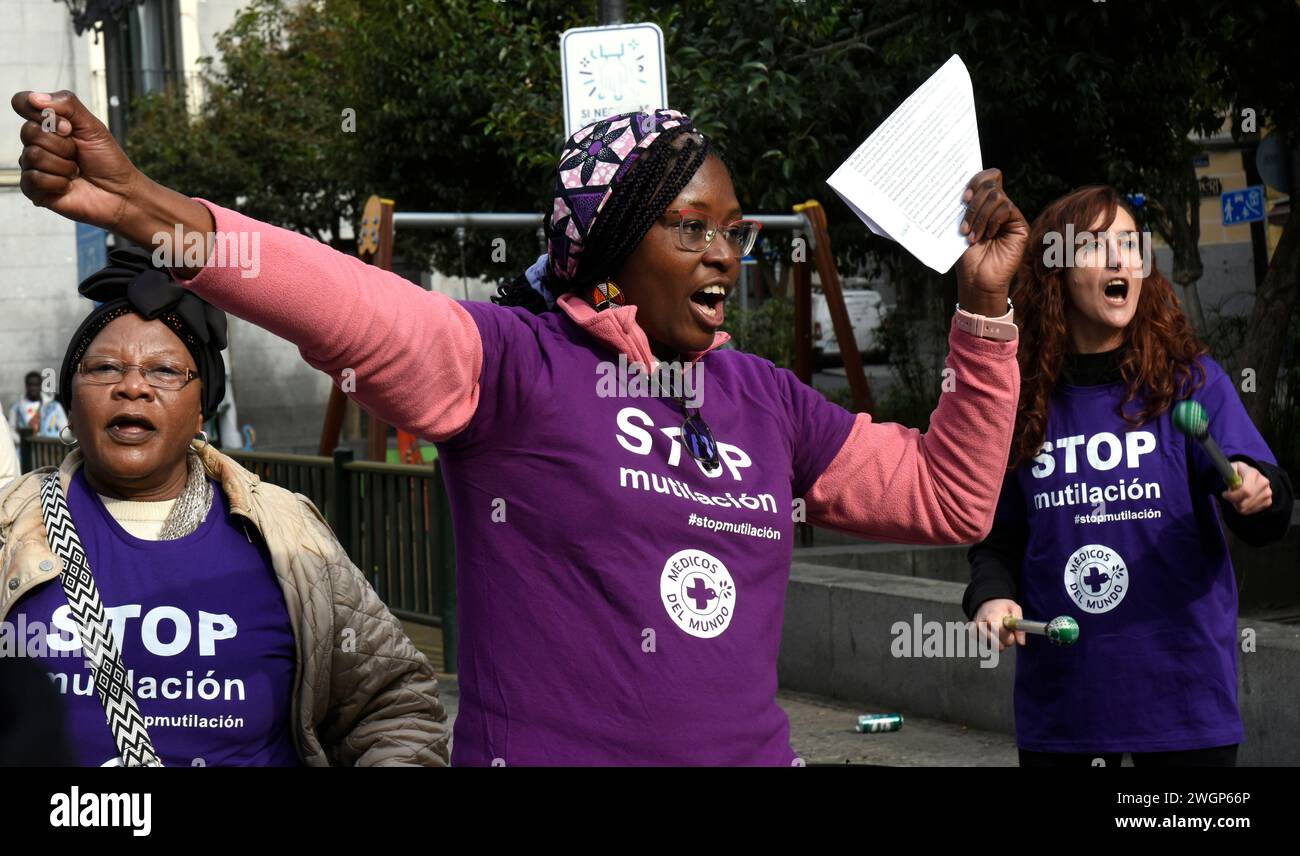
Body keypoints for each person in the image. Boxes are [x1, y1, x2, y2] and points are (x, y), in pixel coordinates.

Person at [14, 90, 1028, 765]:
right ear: (613, 242)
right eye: (691, 228)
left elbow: (950, 497)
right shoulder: (510, 366)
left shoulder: (769, 401)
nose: (724, 254)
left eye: (732, 230)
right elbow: (346, 301)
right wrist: (151, 209)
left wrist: (984, 313)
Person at [0, 247, 449, 766]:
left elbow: (391, 702)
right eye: (103, 368)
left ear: (201, 413)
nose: (132, 387)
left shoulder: (286, 534)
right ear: (71, 408)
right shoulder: (11, 528)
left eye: (165, 371)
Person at [964, 185, 1294, 767]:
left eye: (1129, 245)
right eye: (1096, 247)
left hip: (1185, 707)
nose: (1120, 260)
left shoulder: (1193, 383)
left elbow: (1268, 514)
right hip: (1065, 708)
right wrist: (992, 597)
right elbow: (997, 537)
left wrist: (1260, 493)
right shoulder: (1020, 398)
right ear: (1057, 272)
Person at [8, 370, 68, 452]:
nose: (33, 388)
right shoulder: (16, 409)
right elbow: (10, 430)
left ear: (40, 385)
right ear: (26, 385)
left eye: (36, 385)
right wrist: (23, 440)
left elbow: (65, 430)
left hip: (50, 451)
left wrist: (48, 438)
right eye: (30, 385)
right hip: (26, 453)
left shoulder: (54, 407)